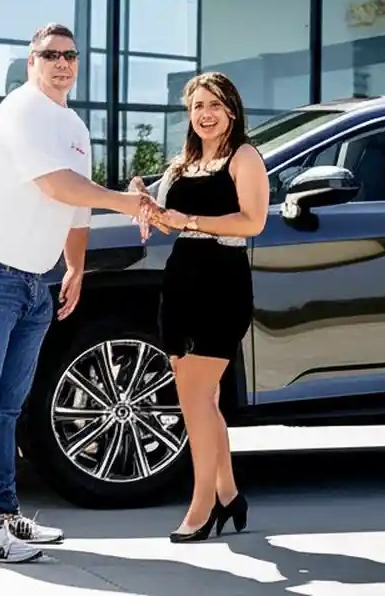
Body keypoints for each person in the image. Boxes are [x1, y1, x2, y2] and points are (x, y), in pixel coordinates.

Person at [0, 23, 158, 563]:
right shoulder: (23, 109)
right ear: (32, 61)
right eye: (50, 54)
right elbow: (54, 185)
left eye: (70, 55)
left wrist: (74, 269)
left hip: (32, 281)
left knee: (7, 408)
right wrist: (131, 205)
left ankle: (4, 514)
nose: (62, 63)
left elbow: (75, 208)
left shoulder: (74, 125)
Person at [139, 72, 269, 543]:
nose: (205, 114)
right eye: (196, 107)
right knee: (204, 400)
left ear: (231, 109)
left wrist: (190, 218)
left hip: (222, 281)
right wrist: (147, 206)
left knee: (195, 400)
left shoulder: (245, 157)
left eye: (214, 104)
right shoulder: (182, 165)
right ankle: (230, 493)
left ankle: (202, 505)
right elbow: (166, 220)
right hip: (181, 280)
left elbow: (253, 221)